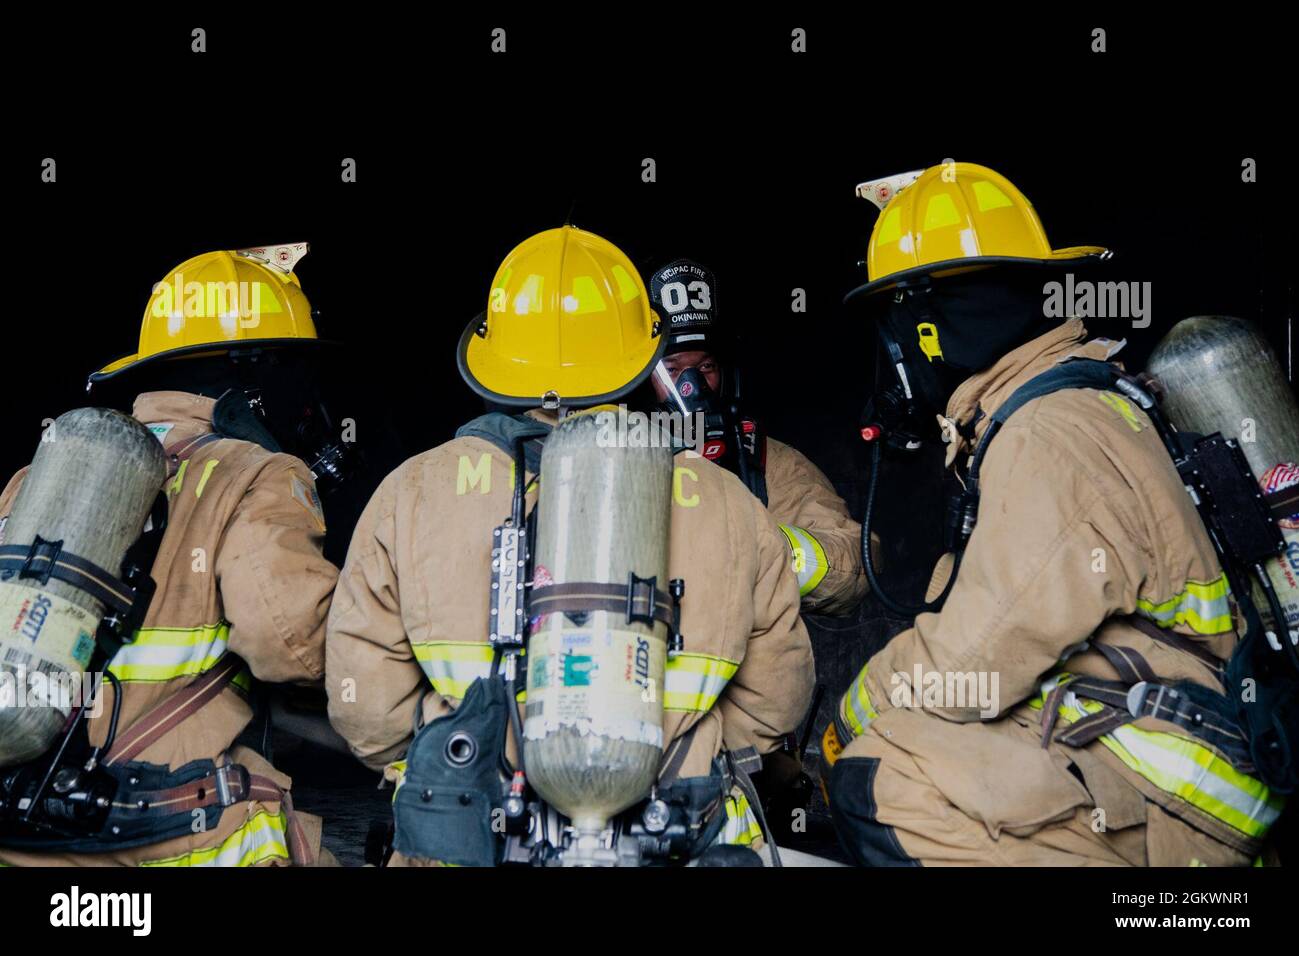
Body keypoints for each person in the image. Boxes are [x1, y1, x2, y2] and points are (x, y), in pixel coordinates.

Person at [823, 163, 1283, 866]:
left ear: (925, 327)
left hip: (1182, 789)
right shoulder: (1076, 396)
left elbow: (973, 662)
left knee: (884, 773)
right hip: (1164, 740)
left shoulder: (1048, 433)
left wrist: (854, 709)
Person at [325, 225, 814, 865]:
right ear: (640, 357)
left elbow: (364, 700)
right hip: (678, 825)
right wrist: (697, 747)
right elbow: (778, 694)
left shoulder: (411, 491)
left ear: (493, 360)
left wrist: (437, 757)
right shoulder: (725, 500)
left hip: (473, 826)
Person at [0, 245, 339, 866]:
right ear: (262, 372)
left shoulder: (39, 478)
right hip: (171, 834)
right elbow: (288, 641)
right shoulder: (255, 474)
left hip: (26, 827)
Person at [645, 259, 870, 616]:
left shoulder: (765, 459)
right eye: (671, 371)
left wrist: (762, 549)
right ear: (640, 378)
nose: (691, 386)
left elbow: (856, 565)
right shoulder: (610, 457)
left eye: (705, 368)